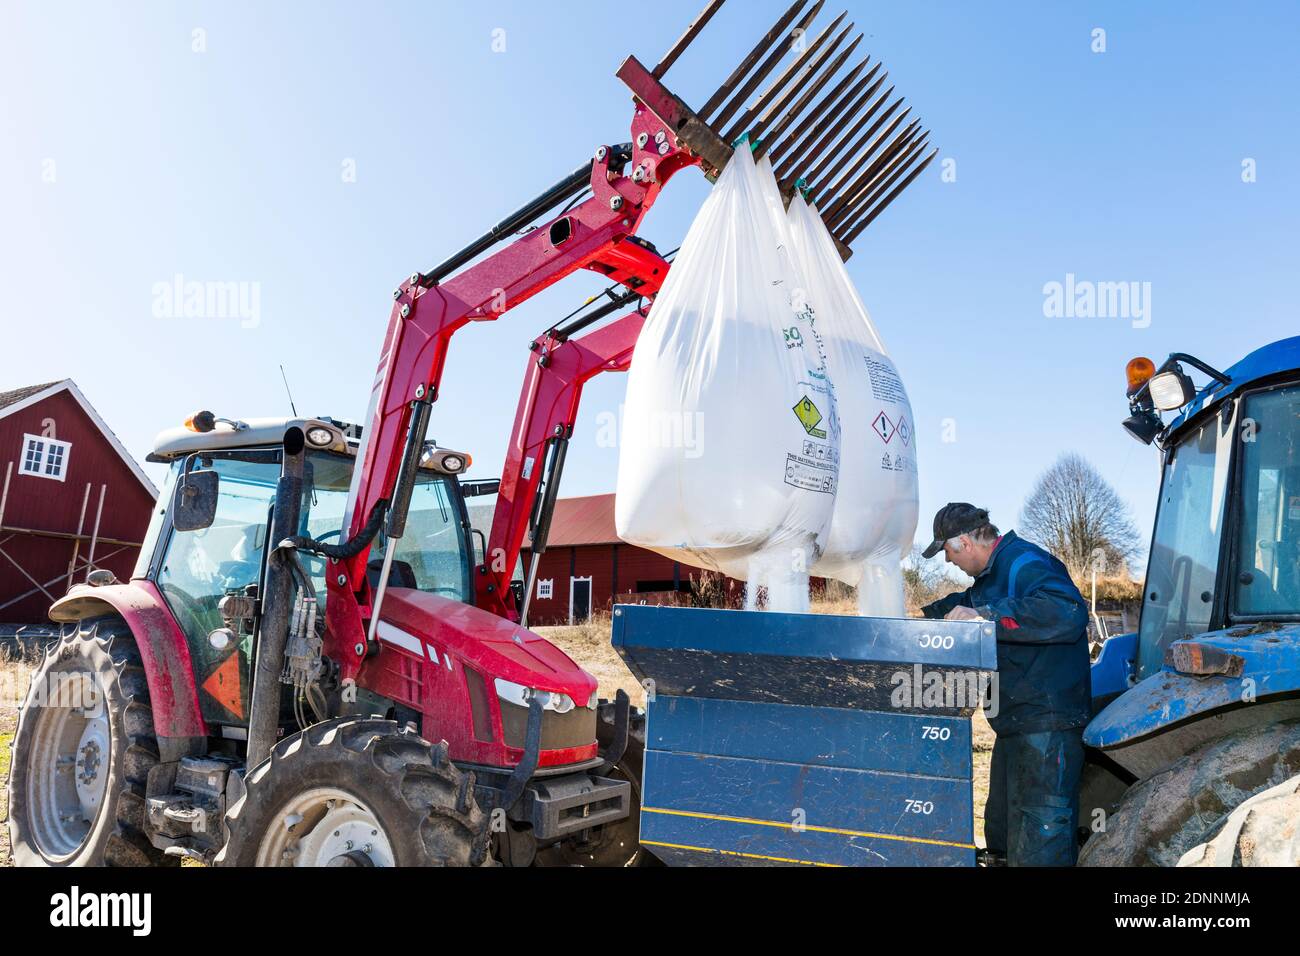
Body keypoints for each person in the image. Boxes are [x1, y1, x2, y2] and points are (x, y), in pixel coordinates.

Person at [919, 503, 1091, 866]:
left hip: (1047, 723)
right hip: (1014, 723)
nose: (948, 562)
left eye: (947, 552)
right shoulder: (988, 581)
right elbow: (958, 606)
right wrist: (911, 622)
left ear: (964, 541)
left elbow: (1068, 612)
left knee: (1042, 830)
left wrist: (985, 616)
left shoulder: (1023, 562)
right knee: (1002, 829)